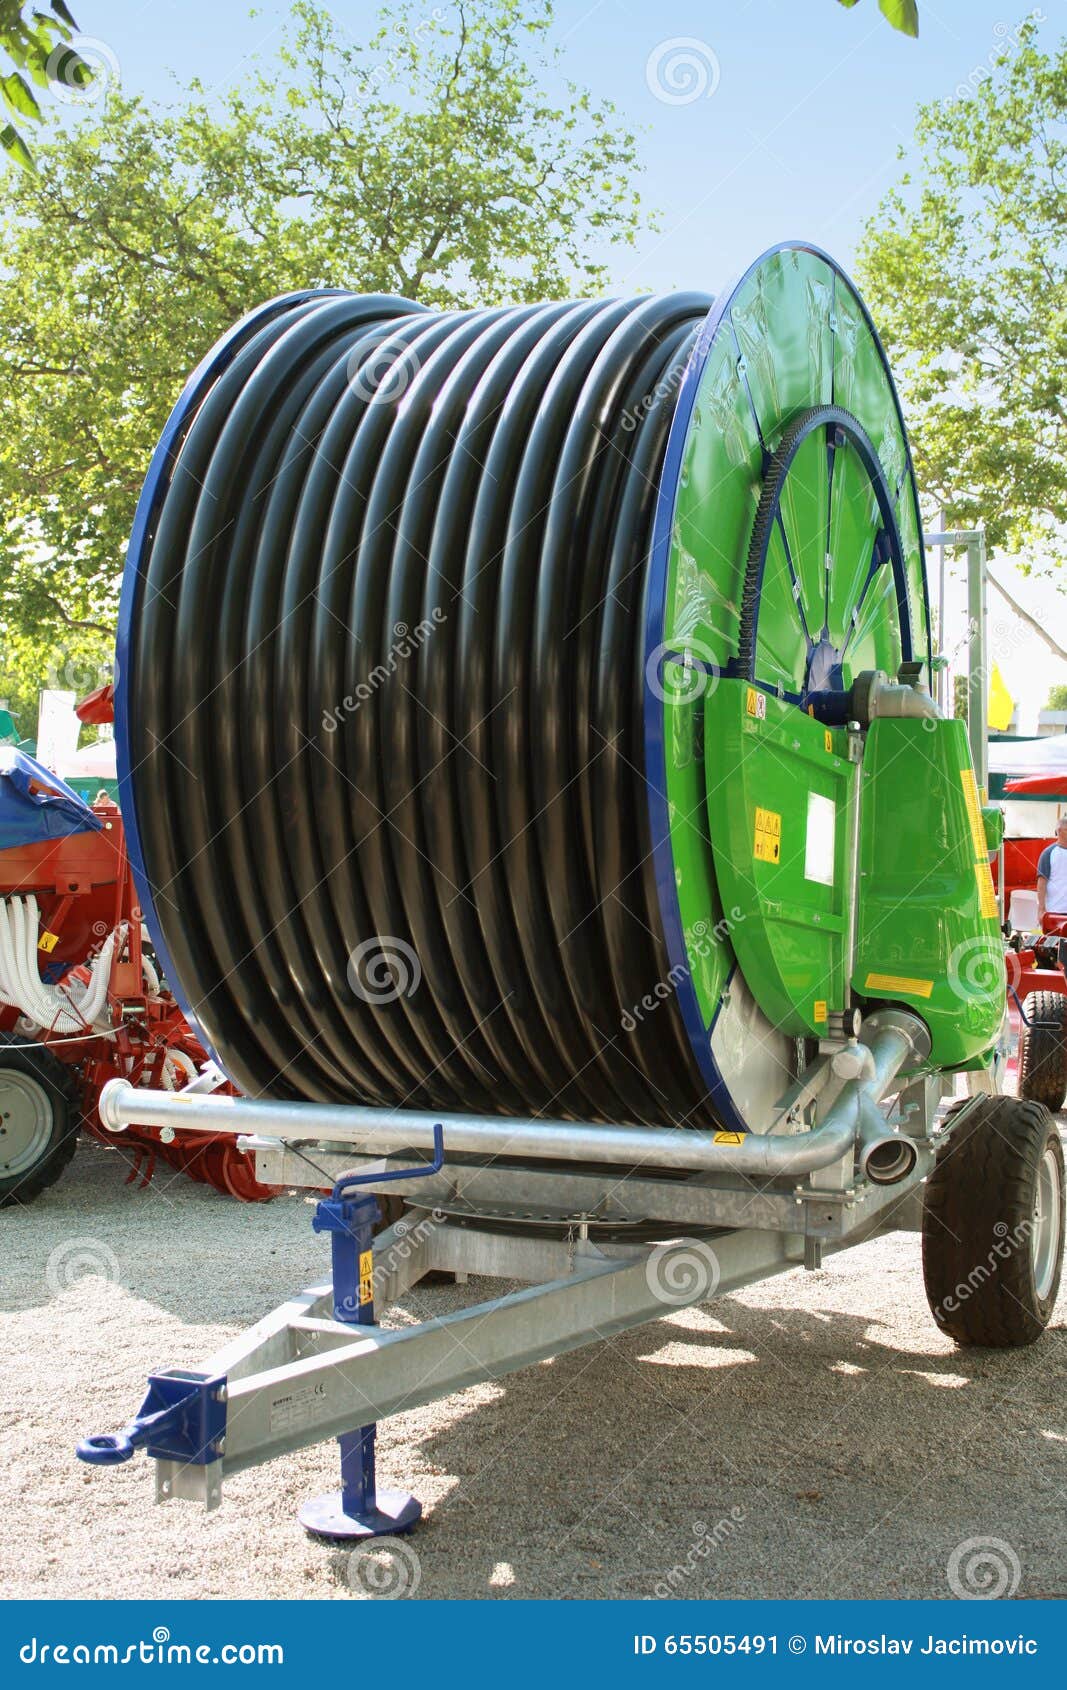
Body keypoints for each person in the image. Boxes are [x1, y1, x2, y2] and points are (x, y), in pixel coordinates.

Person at [1036, 815, 1067, 964]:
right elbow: (1041, 883)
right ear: (1060, 831)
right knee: (1054, 952)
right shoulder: (1049, 853)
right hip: (1055, 913)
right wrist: (1041, 909)